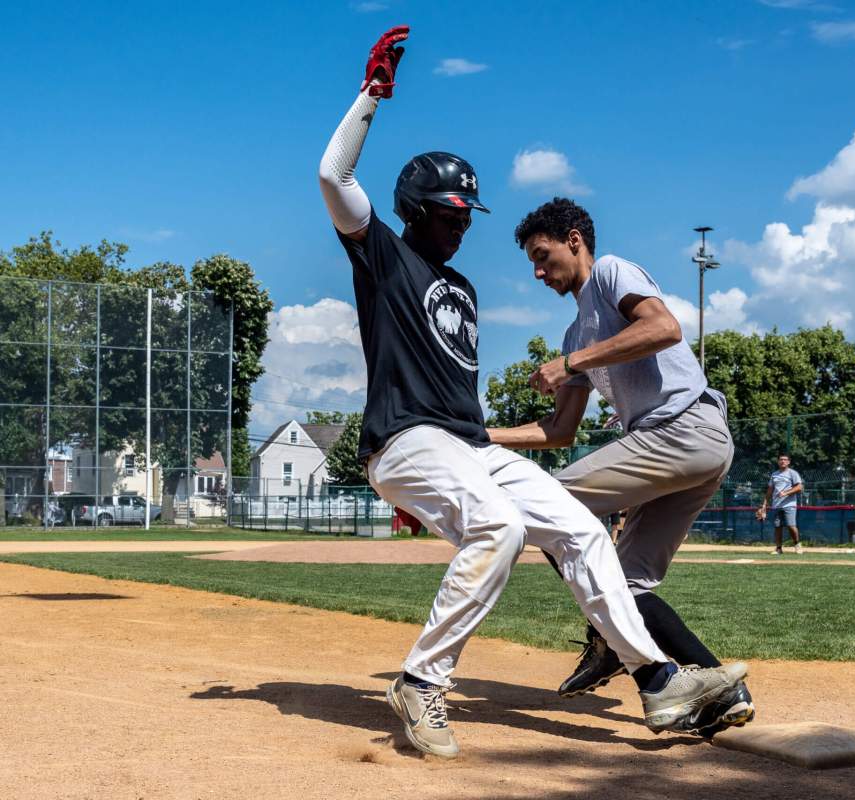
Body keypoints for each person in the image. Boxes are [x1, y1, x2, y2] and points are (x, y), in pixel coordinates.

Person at [317, 29, 745, 758]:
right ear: (415, 209)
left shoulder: (464, 288)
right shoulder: (384, 257)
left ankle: (661, 679)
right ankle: (421, 682)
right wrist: (371, 98)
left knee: (577, 530)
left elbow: (518, 424)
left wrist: (475, 454)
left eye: (464, 217)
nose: (459, 227)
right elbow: (333, 177)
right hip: (403, 438)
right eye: (449, 214)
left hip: (463, 444)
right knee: (501, 529)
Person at [487, 197, 752, 739]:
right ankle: (718, 688)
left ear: (575, 240)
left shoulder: (611, 274)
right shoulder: (573, 335)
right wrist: (477, 433)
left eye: (543, 256)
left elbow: (664, 328)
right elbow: (558, 432)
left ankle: (609, 643)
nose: (538, 272)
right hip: (684, 448)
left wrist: (573, 364)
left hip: (684, 429)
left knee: (547, 502)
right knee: (625, 586)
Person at [759, 454, 804, 555]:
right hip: (776, 505)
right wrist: (764, 504)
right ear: (778, 462)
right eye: (781, 460)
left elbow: (799, 487)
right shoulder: (774, 474)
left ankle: (797, 545)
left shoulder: (793, 473)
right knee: (777, 527)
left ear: (789, 462)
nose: (783, 461)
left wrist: (786, 493)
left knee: (791, 525)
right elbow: (770, 490)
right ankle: (778, 548)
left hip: (789, 504)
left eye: (785, 460)